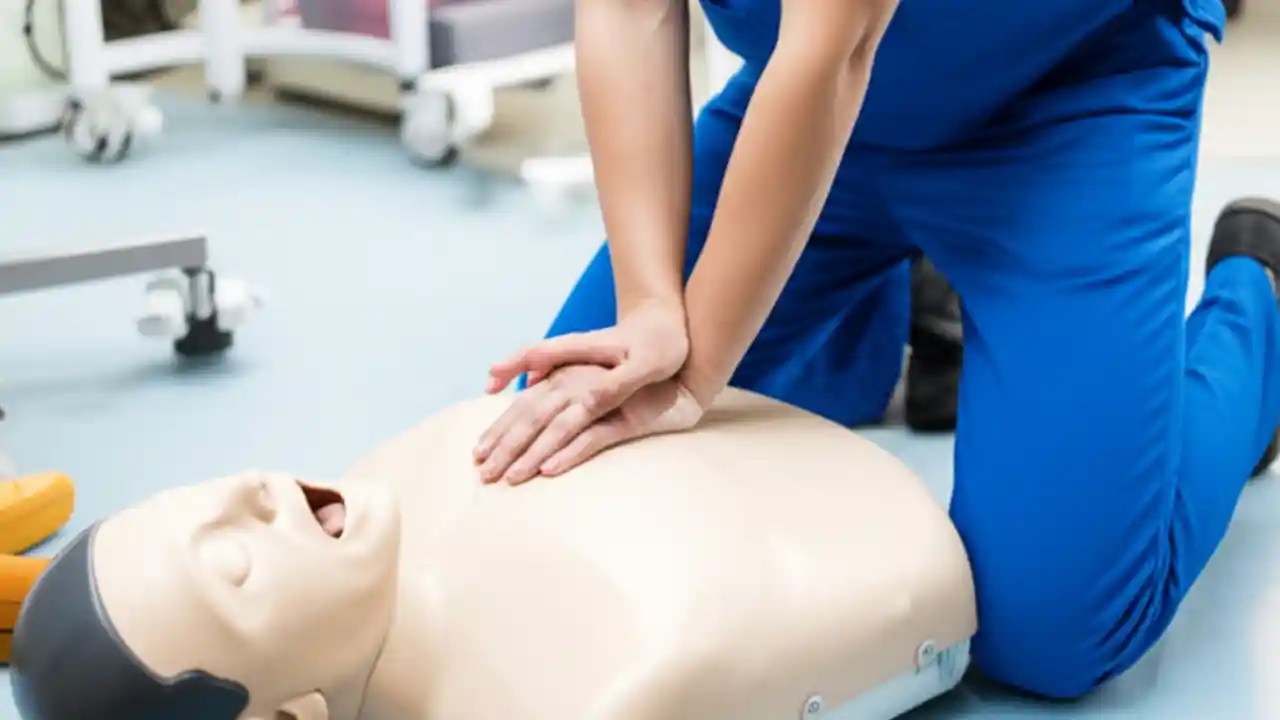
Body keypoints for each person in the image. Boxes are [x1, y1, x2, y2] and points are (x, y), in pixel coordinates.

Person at [471, 0, 1280, 701]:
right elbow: (626, 10)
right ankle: (868, 326)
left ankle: (1260, 308)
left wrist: (696, 372)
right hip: (812, 100)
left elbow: (840, 45)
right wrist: (650, 307)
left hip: (1072, 98)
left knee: (1054, 628)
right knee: (565, 457)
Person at [10, 390, 976, 720]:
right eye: (236, 566)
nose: (253, 492)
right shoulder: (574, 694)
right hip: (890, 540)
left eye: (200, 496)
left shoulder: (391, 475)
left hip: (805, 460)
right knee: (1066, 637)